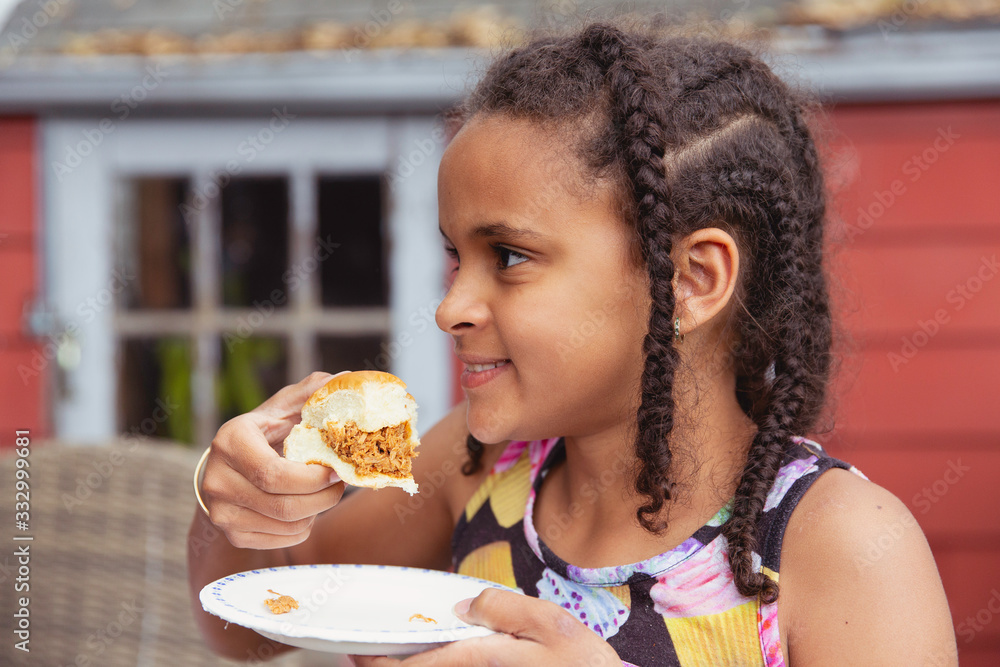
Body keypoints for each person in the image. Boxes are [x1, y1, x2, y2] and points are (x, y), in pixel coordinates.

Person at [188, 20, 958, 666]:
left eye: (511, 257)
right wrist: (243, 507)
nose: (450, 306)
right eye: (456, 256)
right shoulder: (476, 469)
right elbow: (244, 623)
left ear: (690, 280)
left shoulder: (845, 549)